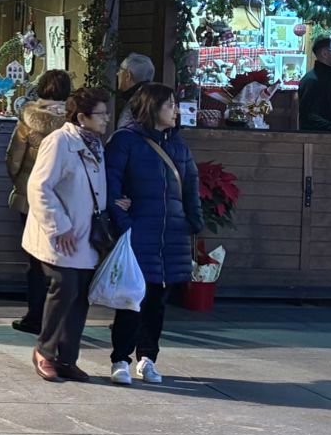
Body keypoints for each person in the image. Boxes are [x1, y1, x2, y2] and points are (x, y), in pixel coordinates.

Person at [104, 83, 201, 385]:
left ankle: (148, 358)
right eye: (169, 105)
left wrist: (193, 222)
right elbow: (110, 184)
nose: (176, 110)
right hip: (139, 231)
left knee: (157, 300)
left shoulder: (178, 146)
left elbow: (190, 187)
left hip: (171, 234)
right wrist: (123, 221)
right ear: (152, 108)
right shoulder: (125, 142)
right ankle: (120, 358)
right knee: (132, 297)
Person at [24, 85, 113, 382]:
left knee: (79, 296)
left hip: (85, 234)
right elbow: (39, 186)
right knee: (64, 287)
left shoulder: (96, 144)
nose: (107, 119)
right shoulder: (59, 142)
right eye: (101, 114)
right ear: (82, 117)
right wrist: (58, 225)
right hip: (60, 234)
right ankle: (44, 351)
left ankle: (67, 358)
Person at [6, 69, 74, 335]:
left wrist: (21, 185)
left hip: (30, 200)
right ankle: (62, 317)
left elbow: (13, 160)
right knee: (63, 261)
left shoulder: (28, 119)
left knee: (34, 260)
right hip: (66, 199)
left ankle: (34, 317)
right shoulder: (74, 120)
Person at [296, 34, 331, 133]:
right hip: (321, 143)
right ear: (324, 54)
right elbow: (307, 116)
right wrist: (330, 126)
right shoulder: (311, 80)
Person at [116, 53, 154, 118]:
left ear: (128, 75)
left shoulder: (134, 106)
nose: (117, 74)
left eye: (120, 69)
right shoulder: (152, 102)